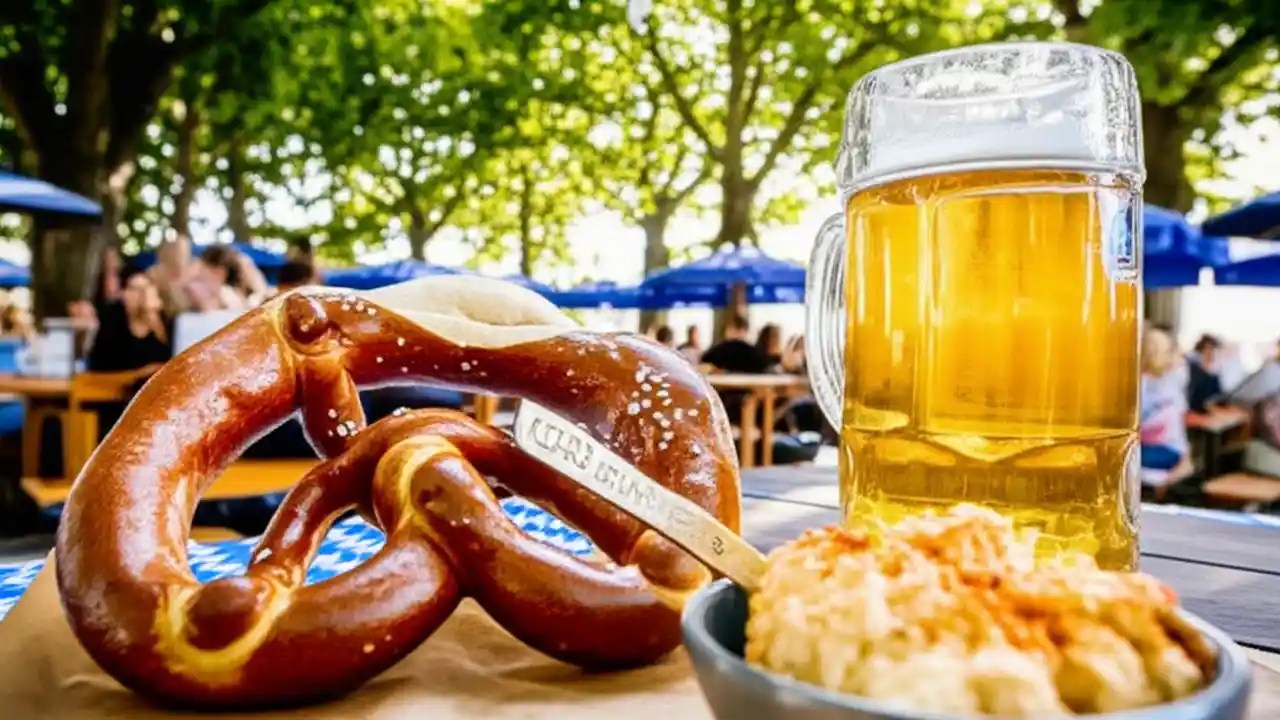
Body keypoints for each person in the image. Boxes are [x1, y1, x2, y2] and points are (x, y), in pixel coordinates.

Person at [87, 266, 172, 373]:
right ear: (123, 293)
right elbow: (101, 365)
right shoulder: (111, 320)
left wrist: (152, 316)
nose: (141, 296)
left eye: (145, 289)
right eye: (134, 289)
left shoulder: (163, 323)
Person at [1140, 325, 1189, 471]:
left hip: (1168, 449)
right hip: (1154, 447)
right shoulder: (1141, 383)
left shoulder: (1171, 381)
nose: (1168, 357)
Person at [701, 315, 769, 374]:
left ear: (728, 330)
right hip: (749, 387)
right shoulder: (756, 354)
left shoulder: (716, 351)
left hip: (719, 387)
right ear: (745, 331)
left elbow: (703, 365)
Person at [1186, 334, 1223, 413]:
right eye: (1208, 348)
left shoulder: (1215, 375)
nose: (1211, 352)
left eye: (1213, 348)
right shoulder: (1192, 370)